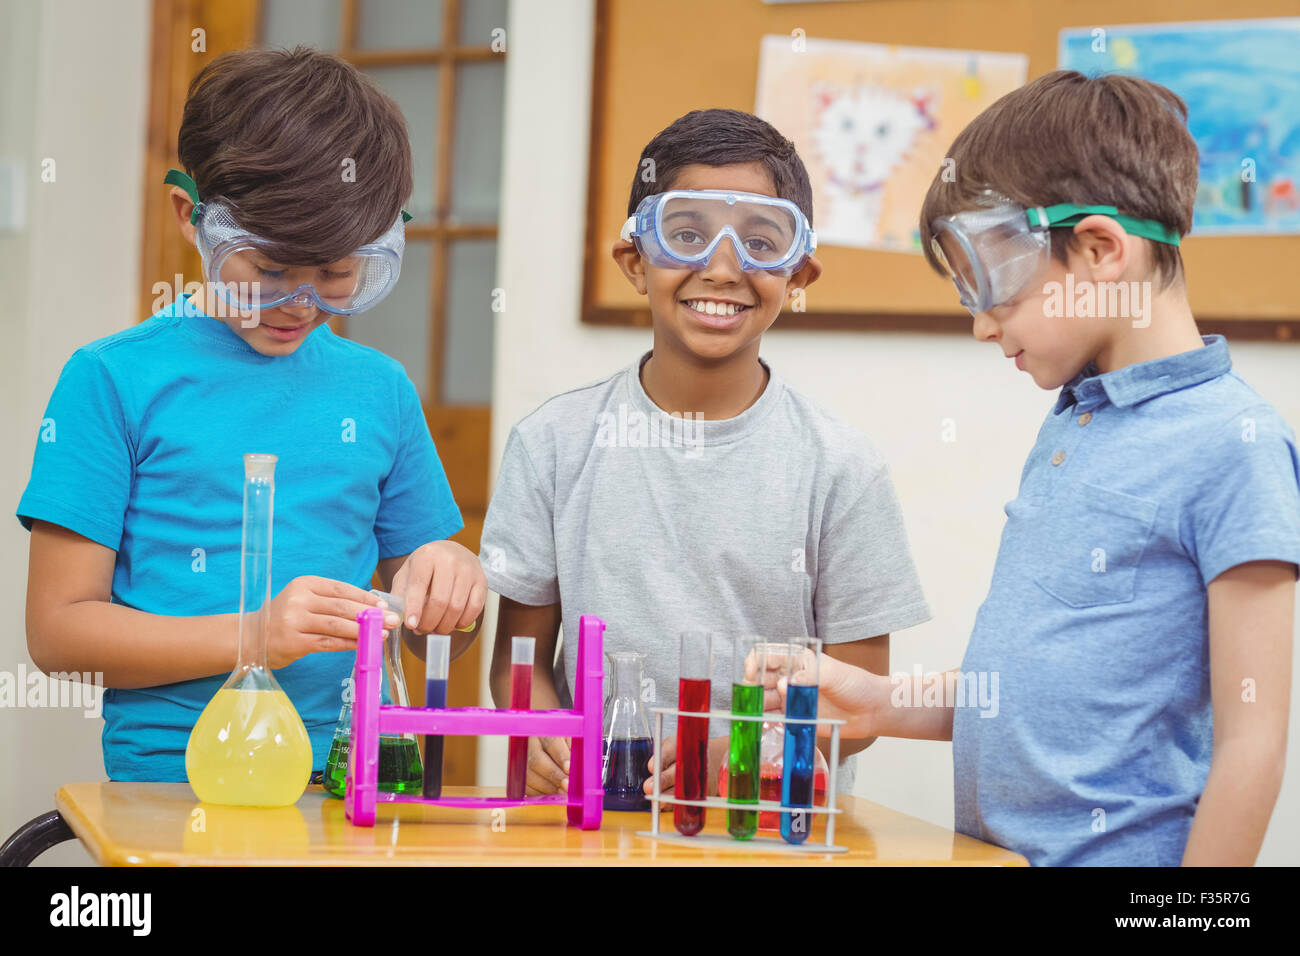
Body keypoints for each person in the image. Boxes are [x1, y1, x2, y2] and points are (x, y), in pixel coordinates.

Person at [793, 70, 1300, 865]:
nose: (982, 325)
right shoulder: (1074, 421)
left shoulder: (1235, 446)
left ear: (1099, 248)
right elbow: (1038, 690)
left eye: (991, 284)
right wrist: (889, 703)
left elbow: (1253, 745)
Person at [18, 47, 485, 783]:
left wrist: (452, 587)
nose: (301, 302)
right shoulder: (112, 379)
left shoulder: (380, 390)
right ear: (191, 217)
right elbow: (57, 630)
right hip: (174, 787)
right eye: (268, 270)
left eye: (336, 273)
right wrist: (255, 638)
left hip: (345, 781)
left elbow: (427, 633)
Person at [478, 108, 931, 798]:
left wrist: (741, 753)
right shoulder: (552, 444)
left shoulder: (842, 468)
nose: (722, 269)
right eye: (685, 235)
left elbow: (860, 705)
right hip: (596, 818)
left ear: (798, 276)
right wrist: (533, 722)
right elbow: (520, 663)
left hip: (765, 827)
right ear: (635, 262)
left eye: (760, 242)